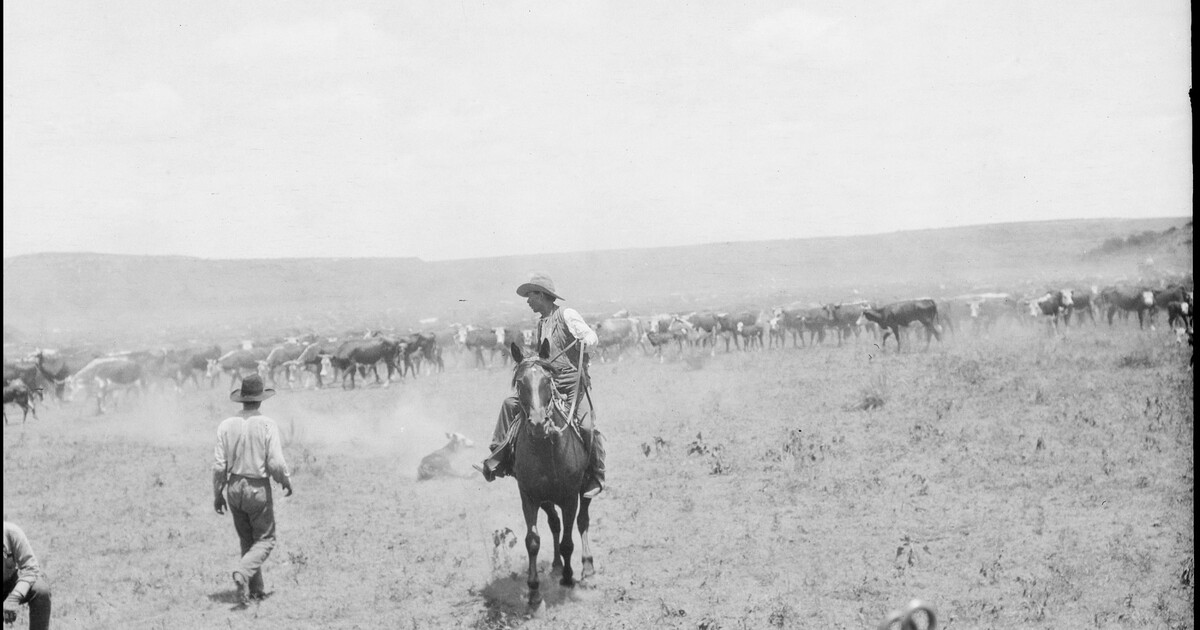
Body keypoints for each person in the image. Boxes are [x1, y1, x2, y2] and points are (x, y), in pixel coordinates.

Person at [478, 273, 607, 498]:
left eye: (530, 296)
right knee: (510, 404)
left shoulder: (566, 314)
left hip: (572, 385)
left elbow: (592, 338)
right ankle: (498, 458)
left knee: (587, 427)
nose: (528, 301)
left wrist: (585, 343)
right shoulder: (541, 323)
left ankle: (595, 475)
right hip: (549, 385)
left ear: (542, 295)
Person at [212, 374, 293, 606]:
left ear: (242, 400)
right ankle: (242, 573)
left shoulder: (226, 425)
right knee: (266, 540)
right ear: (260, 400)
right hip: (257, 486)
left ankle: (255, 591)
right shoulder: (267, 424)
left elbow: (219, 466)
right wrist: (285, 481)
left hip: (234, 486)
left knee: (247, 540)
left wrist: (218, 493)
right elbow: (276, 462)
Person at [2, 521, 50, 630]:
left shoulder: (11, 532)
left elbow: (31, 567)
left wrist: (14, 597)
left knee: (41, 590)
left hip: (9, 582)